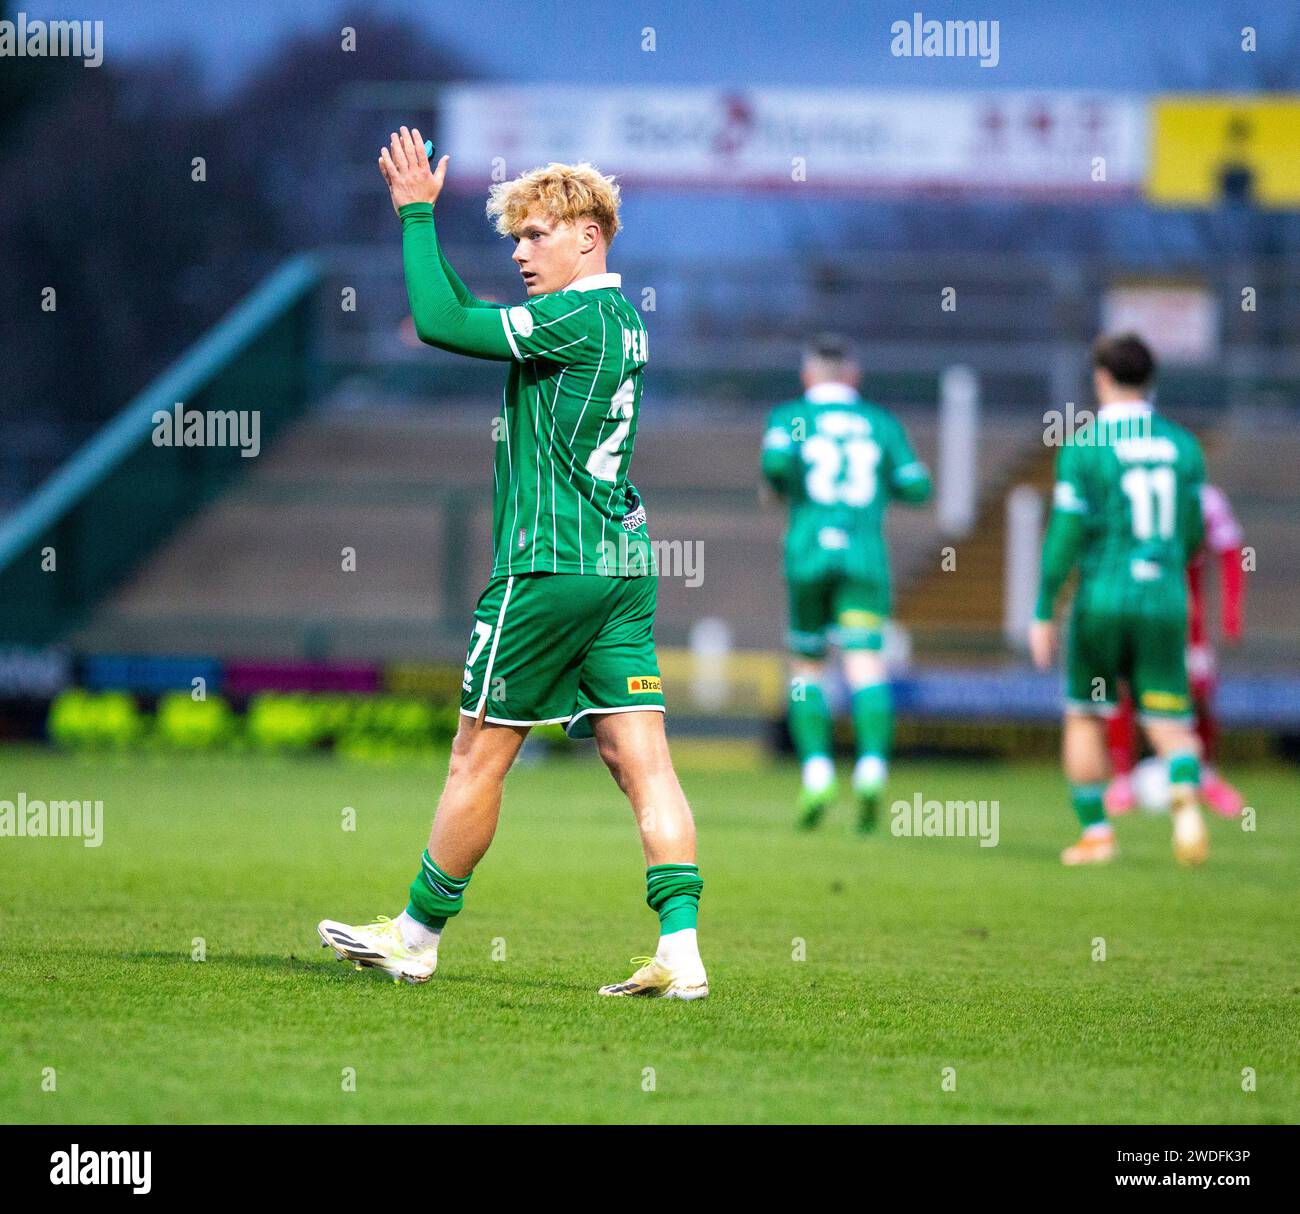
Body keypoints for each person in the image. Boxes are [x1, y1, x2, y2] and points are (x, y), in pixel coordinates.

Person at [318, 130, 707, 999]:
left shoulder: (574, 316)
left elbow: (439, 323)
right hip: (621, 565)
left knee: (475, 757)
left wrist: (416, 217)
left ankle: (415, 936)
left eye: (536, 235)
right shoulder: (619, 317)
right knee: (640, 758)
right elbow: (469, 316)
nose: (523, 253)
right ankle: (681, 953)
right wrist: (431, 245)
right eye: (516, 238)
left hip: (547, 566)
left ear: (587, 236)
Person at [1031, 333, 1210, 867]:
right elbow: (1194, 533)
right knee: (1168, 718)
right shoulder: (1183, 446)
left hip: (1103, 598)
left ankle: (1096, 836)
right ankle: (1184, 800)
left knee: (1086, 715)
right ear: (1150, 380)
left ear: (1102, 378)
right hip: (1164, 599)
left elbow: (1064, 538)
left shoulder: (1085, 446)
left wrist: (1044, 609)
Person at [761, 335, 931, 831]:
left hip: (808, 555)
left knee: (807, 666)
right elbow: (918, 486)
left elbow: (773, 467)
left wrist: (787, 486)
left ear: (807, 376)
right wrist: (887, 484)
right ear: (852, 377)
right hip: (863, 558)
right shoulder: (879, 423)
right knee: (864, 663)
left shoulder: (789, 416)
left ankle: (816, 772)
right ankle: (872, 767)